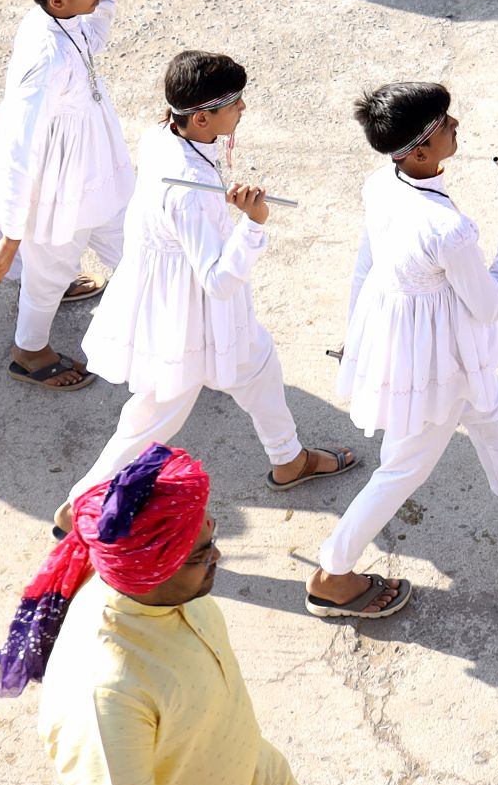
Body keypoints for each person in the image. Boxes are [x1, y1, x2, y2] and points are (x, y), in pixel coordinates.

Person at [0, 444, 360, 785]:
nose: (218, 557)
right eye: (201, 554)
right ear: (153, 569)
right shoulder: (103, 689)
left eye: (211, 537)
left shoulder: (175, 595)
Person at [304, 80, 498, 621]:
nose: (456, 125)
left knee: (491, 409)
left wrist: (357, 339)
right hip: (436, 358)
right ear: (419, 150)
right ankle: (332, 573)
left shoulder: (381, 184)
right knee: (402, 467)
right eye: (445, 122)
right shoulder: (449, 228)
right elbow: (488, 305)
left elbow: (365, 264)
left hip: (411, 336)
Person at [75, 50, 358, 502]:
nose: (243, 108)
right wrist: (254, 222)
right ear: (203, 118)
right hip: (186, 314)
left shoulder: (160, 136)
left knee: (258, 363)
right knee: (153, 417)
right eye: (235, 103)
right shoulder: (190, 191)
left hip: (167, 291)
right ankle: (83, 501)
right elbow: (219, 281)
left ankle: (289, 458)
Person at [0, 0, 132, 388]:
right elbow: (20, 149)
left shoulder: (69, 18)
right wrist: (11, 238)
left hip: (99, 168)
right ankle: (29, 351)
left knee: (141, 249)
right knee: (48, 274)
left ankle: (169, 337)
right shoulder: (44, 60)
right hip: (58, 187)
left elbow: (96, 33)